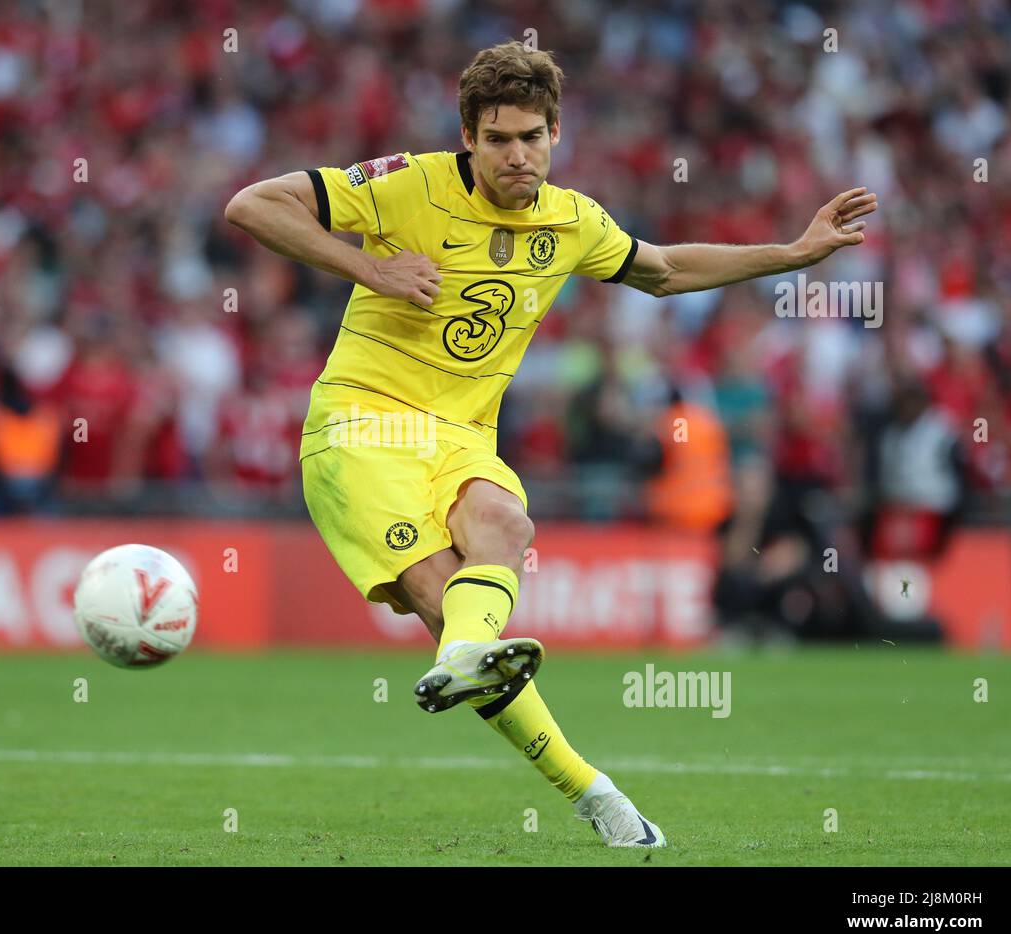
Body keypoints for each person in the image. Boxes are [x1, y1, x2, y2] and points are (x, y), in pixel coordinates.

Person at [224, 40, 877, 848]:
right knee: (441, 598)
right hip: (362, 427)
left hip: (461, 436)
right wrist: (369, 268)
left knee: (505, 527)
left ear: (556, 133)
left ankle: (467, 657)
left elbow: (665, 269)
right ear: (468, 136)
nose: (516, 154)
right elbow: (253, 204)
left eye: (531, 136)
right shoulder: (404, 183)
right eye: (497, 138)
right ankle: (591, 788)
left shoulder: (571, 222)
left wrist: (792, 253)